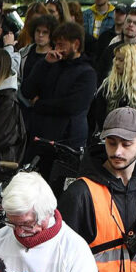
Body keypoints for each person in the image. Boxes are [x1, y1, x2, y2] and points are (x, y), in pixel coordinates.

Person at [60, 106, 136, 272]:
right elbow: (60, 260)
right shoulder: (81, 193)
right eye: (111, 142)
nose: (117, 151)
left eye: (126, 144)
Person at [20, 21, 96, 189]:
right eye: (56, 43)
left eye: (61, 44)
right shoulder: (51, 64)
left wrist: (39, 104)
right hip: (41, 139)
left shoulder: (87, 73)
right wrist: (44, 63)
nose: (57, 48)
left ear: (75, 44)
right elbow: (26, 90)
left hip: (67, 142)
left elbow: (72, 106)